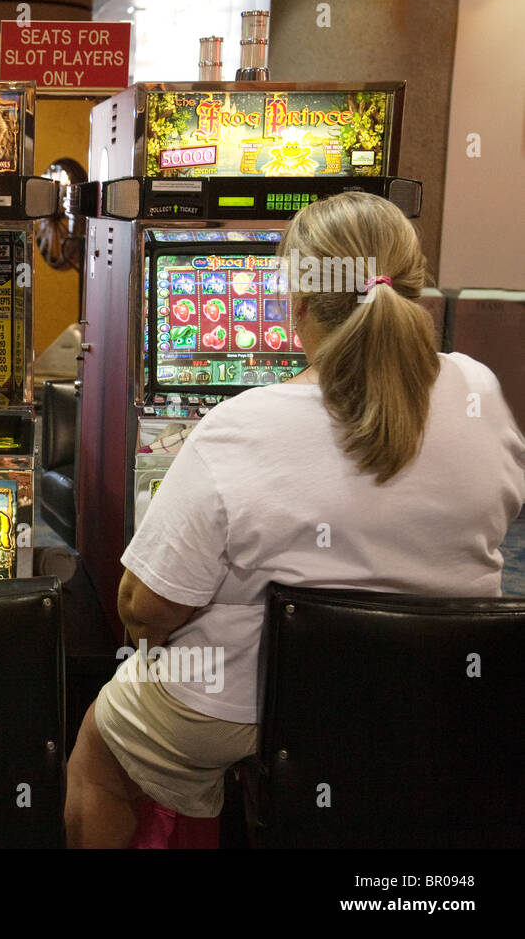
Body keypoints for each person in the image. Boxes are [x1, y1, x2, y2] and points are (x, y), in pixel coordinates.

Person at [64, 191, 525, 847]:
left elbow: (144, 609)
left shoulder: (240, 427)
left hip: (255, 711)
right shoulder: (478, 389)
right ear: (417, 292)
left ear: (299, 305)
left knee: (99, 750)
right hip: (442, 700)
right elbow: (500, 514)